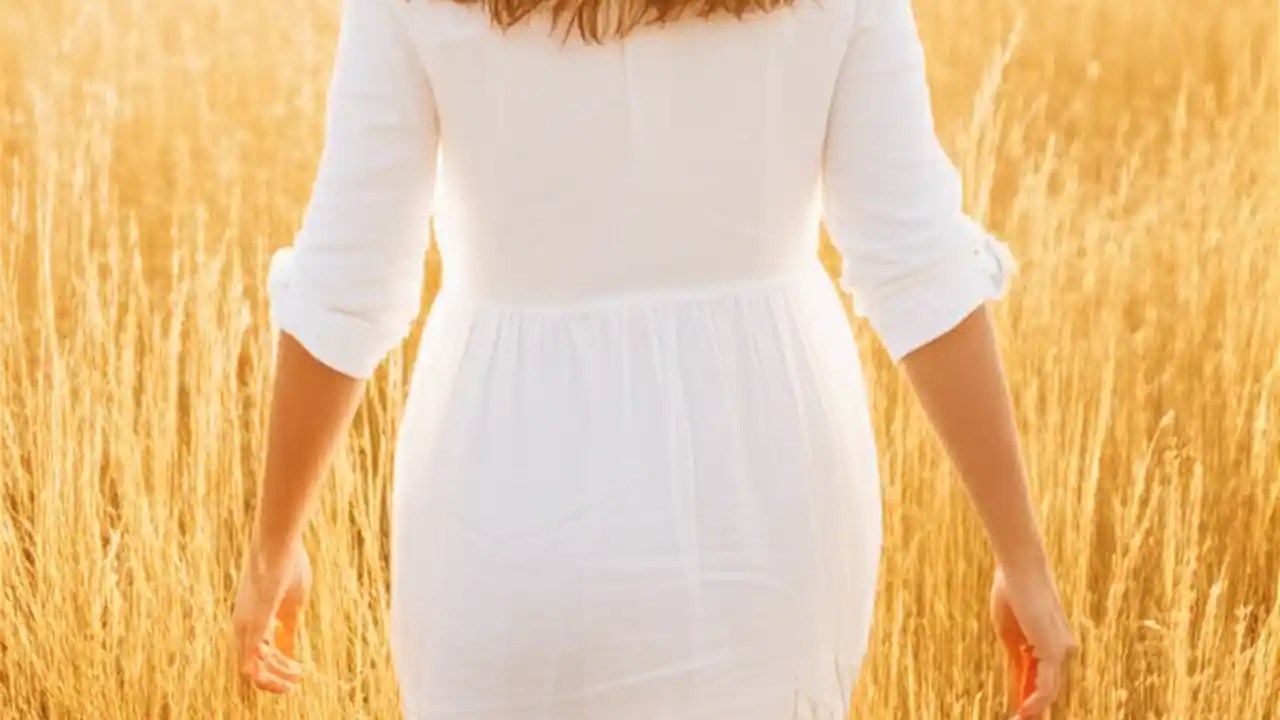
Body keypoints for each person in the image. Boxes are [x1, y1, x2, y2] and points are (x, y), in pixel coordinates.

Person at [230, 0, 1078, 717]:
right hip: (769, 484)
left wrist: (274, 549)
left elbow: (348, 282)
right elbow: (918, 269)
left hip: (503, 477)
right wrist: (1022, 563)